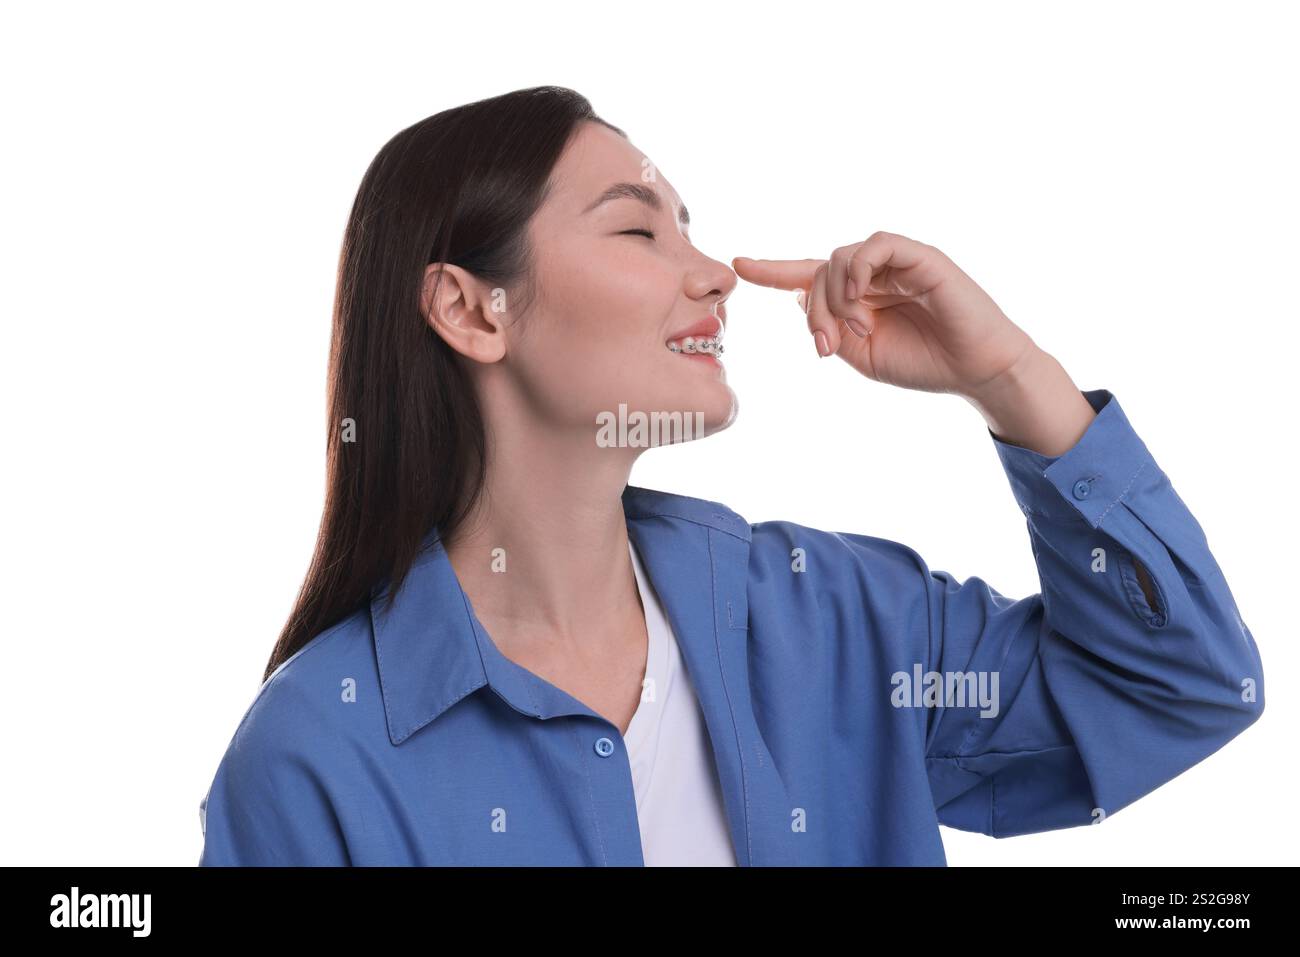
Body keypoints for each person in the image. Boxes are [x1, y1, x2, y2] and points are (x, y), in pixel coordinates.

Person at [197, 86, 1264, 866]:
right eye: (635, 228)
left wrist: (1011, 380)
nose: (711, 274)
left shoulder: (837, 625)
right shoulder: (314, 760)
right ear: (475, 310)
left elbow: (1182, 689)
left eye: (691, 229)